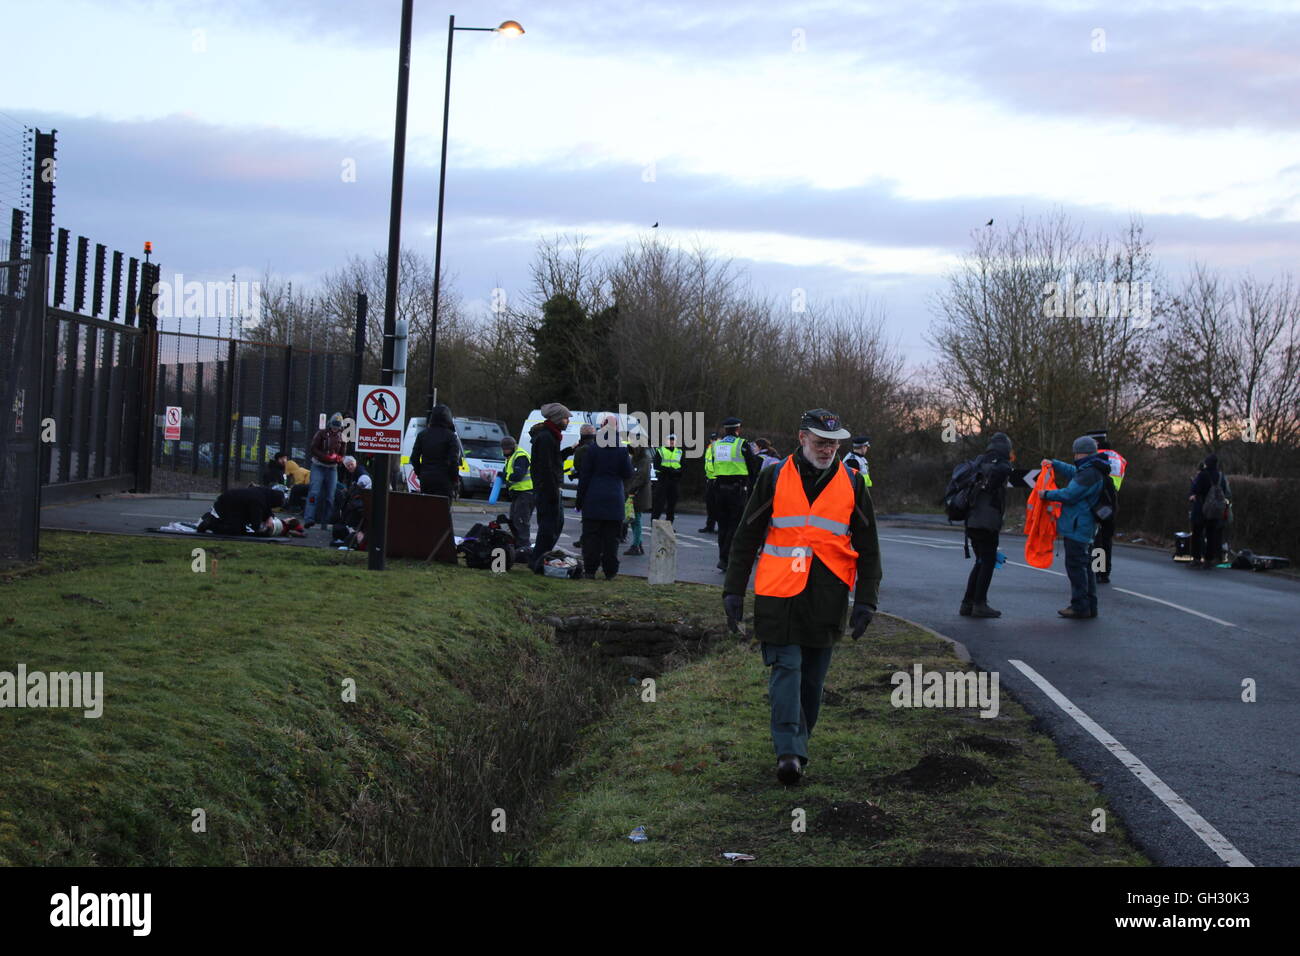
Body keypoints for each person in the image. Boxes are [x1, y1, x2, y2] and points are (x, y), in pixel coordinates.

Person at [722, 409, 881, 785]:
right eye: (821, 442)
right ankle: (788, 753)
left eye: (834, 443)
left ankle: (798, 745)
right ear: (802, 438)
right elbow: (746, 536)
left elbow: (869, 546)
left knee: (812, 680)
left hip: (827, 596)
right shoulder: (773, 476)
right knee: (787, 671)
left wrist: (866, 600)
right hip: (779, 593)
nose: (828, 449)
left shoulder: (854, 483)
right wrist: (733, 590)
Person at [1038, 435, 1112, 619]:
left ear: (1081, 453)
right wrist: (1054, 463)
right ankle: (1089, 605)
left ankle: (1079, 606)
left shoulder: (1089, 473)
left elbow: (1070, 494)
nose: (1074, 457)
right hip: (1084, 527)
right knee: (1086, 567)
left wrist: (1046, 493)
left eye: (1076, 453)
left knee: (1076, 567)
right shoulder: (1092, 468)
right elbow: (1073, 472)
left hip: (1079, 527)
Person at [959, 432, 1015, 618]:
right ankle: (979, 603)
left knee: (980, 561)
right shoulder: (1000, 465)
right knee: (987, 561)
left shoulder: (979, 461)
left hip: (972, 518)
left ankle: (967, 602)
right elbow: (1003, 474)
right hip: (987, 520)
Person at [577, 415, 634, 579]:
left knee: (591, 537)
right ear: (616, 429)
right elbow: (628, 473)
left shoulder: (593, 449)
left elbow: (585, 477)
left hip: (593, 497)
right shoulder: (622, 450)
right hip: (614, 498)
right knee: (612, 539)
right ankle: (610, 571)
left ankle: (590, 570)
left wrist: (580, 501)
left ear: (602, 427)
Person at [712, 416, 761, 572]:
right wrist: (752, 484)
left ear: (726, 430)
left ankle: (722, 557)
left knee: (723, 525)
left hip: (719, 489)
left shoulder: (717, 445)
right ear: (738, 429)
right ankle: (727, 558)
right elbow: (752, 466)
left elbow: (715, 464)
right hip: (736, 490)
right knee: (735, 524)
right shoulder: (742, 444)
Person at [528, 402, 570, 572]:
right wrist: (552, 491)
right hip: (547, 489)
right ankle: (538, 561)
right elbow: (546, 467)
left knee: (555, 524)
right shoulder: (547, 437)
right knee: (549, 527)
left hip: (548, 488)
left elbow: (552, 461)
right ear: (558, 418)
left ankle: (541, 558)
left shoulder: (551, 435)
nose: (568, 421)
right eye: (566, 418)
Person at [1086, 429, 1126, 583]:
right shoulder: (1119, 457)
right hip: (1113, 499)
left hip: (1099, 498)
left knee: (1097, 537)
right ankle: (1105, 572)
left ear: (1095, 442)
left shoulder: (1094, 457)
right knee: (1107, 538)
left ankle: (1097, 569)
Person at [1189, 454, 1232, 569]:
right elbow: (1225, 491)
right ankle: (1209, 559)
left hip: (1201, 508)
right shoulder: (1220, 476)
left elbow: (1196, 490)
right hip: (1215, 510)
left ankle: (1196, 558)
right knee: (1212, 534)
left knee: (1197, 534)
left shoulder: (1202, 475)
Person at [304, 413, 346, 529]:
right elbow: (313, 448)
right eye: (334, 425)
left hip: (332, 468)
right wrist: (325, 457)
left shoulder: (342, 437)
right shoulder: (321, 433)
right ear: (329, 424)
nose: (335, 428)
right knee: (314, 492)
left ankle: (325, 521)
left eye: (337, 426)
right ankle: (309, 518)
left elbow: (342, 454)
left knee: (330, 496)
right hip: (318, 466)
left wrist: (338, 459)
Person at [410, 404, 460, 498]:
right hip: (444, 480)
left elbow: (414, 458)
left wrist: (421, 473)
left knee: (427, 509)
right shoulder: (451, 437)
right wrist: (454, 480)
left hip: (426, 480)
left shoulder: (422, 435)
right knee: (442, 510)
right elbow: (453, 461)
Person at [196, 486, 286, 536]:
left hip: (231, 502)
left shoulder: (263, 493)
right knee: (234, 531)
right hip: (227, 505)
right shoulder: (258, 502)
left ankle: (212, 521)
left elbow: (265, 508)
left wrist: (270, 517)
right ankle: (210, 523)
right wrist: (264, 530)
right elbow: (256, 525)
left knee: (240, 529)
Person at [501, 436, 534, 554]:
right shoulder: (511, 457)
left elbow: (518, 475)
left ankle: (524, 548)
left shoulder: (520, 456)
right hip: (519, 493)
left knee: (521, 521)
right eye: (504, 449)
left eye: (507, 449)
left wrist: (505, 477)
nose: (505, 451)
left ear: (513, 447)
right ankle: (517, 545)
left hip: (526, 493)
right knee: (514, 520)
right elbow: (507, 472)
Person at [624, 443, 652, 555]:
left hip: (637, 493)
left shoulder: (644, 459)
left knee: (636, 519)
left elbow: (641, 477)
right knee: (634, 519)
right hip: (635, 492)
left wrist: (630, 490)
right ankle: (638, 543)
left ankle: (636, 545)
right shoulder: (639, 457)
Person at [650, 433, 683, 523]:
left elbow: (683, 466)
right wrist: (669, 470)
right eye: (670, 440)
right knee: (659, 503)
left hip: (674, 480)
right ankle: (654, 523)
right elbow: (656, 465)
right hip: (663, 480)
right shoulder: (660, 450)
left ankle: (669, 525)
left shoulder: (679, 452)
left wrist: (678, 472)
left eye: (673, 440)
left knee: (672, 504)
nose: (672, 442)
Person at [699, 432, 719, 533]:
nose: (714, 441)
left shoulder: (719, 448)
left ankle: (719, 527)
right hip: (710, 479)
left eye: (715, 439)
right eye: (712, 439)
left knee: (718, 505)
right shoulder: (709, 448)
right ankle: (709, 526)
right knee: (710, 505)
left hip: (717, 479)